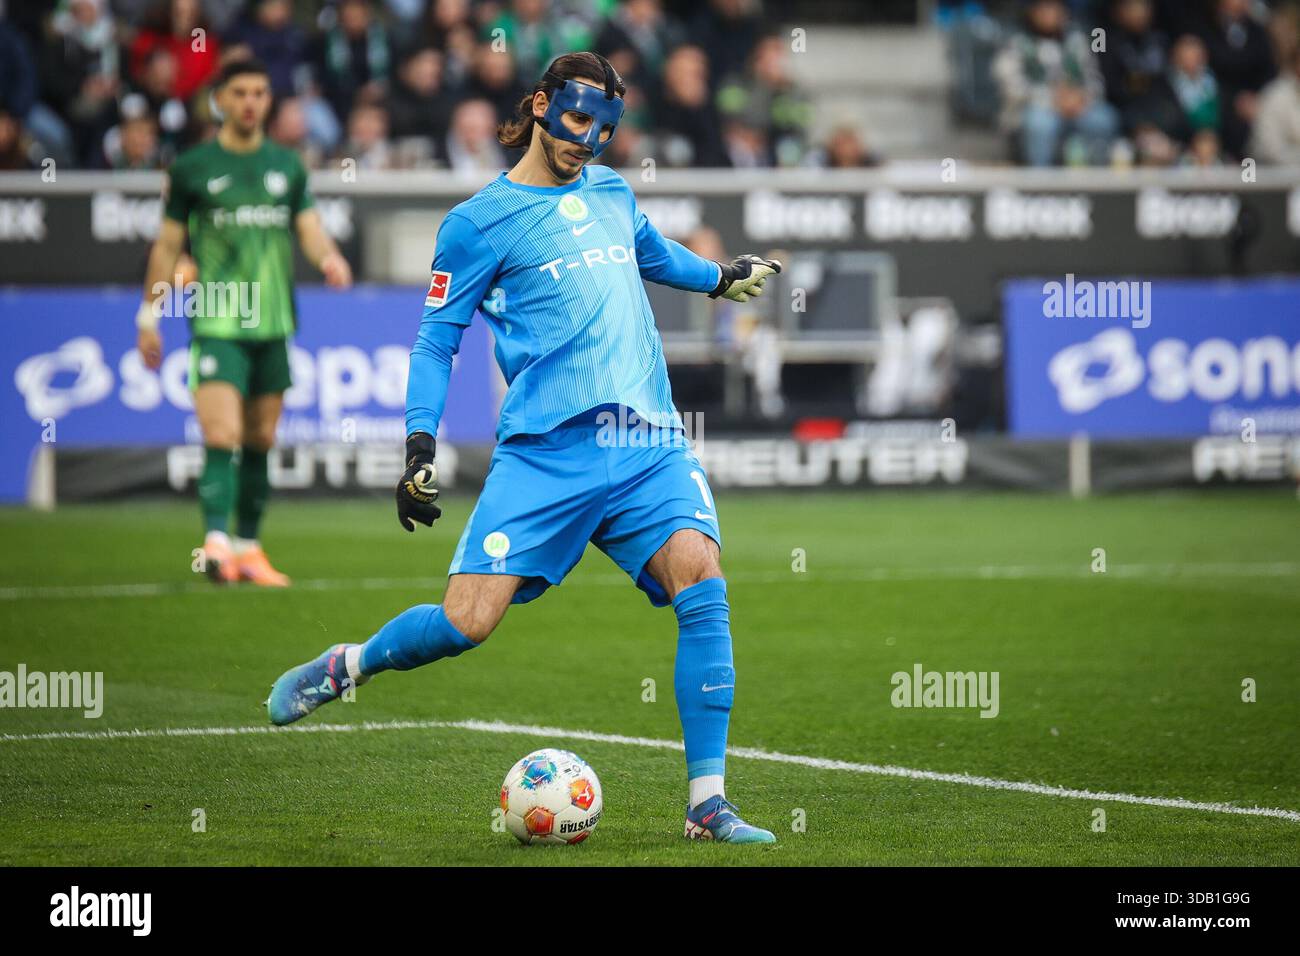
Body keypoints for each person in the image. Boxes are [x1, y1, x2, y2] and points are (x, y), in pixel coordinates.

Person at [267, 52, 781, 844]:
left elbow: (650, 253)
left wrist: (718, 278)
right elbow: (436, 342)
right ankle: (351, 664)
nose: (590, 140)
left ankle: (707, 806)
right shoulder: (477, 223)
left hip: (645, 440)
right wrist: (417, 445)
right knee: (465, 623)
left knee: (702, 581)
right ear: (541, 104)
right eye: (578, 120)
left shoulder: (610, 190)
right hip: (546, 456)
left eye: (606, 129)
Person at [135, 59, 352, 586]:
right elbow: (168, 246)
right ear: (221, 101)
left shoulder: (287, 166)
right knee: (222, 432)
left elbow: (309, 228)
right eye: (241, 93)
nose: (252, 101)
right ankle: (215, 543)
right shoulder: (191, 168)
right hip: (217, 322)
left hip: (274, 324)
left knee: (260, 439)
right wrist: (149, 313)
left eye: (260, 92)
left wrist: (329, 257)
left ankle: (249, 548)